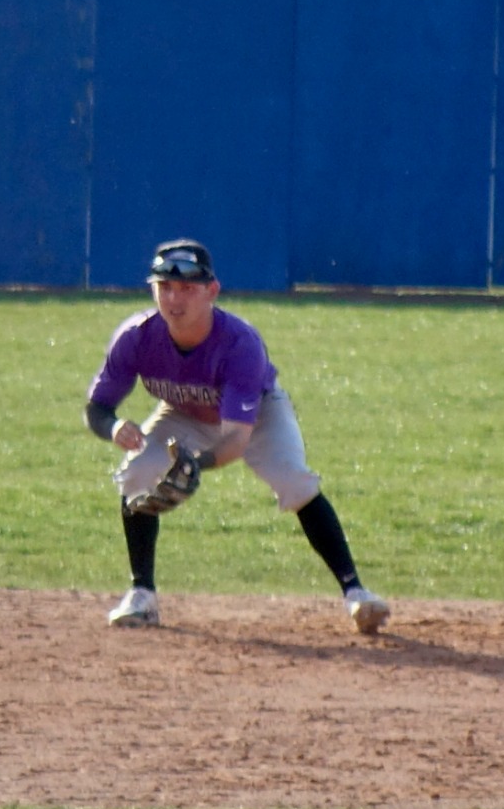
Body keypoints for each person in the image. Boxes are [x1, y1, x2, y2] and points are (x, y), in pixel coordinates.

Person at [85, 238, 390, 634]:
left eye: (188, 288)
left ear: (212, 291)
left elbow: (235, 440)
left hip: (257, 415)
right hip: (181, 414)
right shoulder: (137, 336)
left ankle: (356, 594)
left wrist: (198, 463)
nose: (175, 299)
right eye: (165, 287)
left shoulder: (239, 343)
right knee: (139, 472)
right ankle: (141, 595)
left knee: (292, 479)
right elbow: (97, 408)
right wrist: (113, 427)